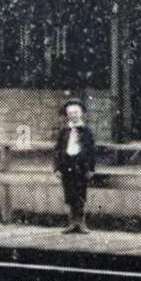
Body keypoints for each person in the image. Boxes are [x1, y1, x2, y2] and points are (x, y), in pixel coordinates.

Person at [53, 98, 97, 234]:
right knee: (69, 194)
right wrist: (57, 168)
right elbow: (58, 150)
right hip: (67, 164)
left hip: (81, 165)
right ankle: (72, 223)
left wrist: (91, 168)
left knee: (80, 194)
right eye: (70, 113)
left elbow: (91, 151)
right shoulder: (64, 131)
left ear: (81, 113)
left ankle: (81, 223)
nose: (73, 115)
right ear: (67, 115)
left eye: (76, 112)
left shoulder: (87, 131)